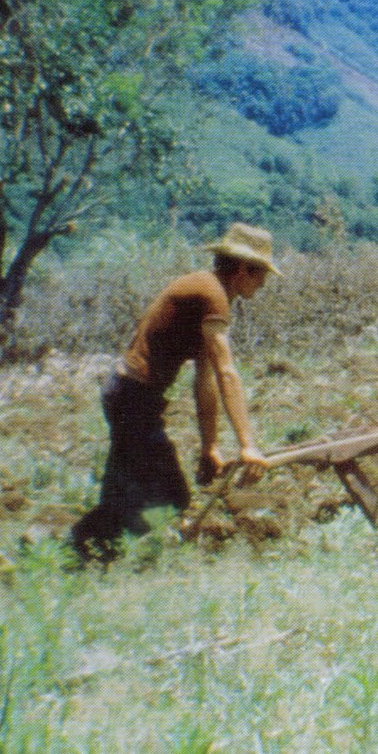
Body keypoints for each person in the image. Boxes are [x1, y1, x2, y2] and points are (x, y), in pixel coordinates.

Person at [69, 222, 277, 563]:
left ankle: (89, 556)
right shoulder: (212, 295)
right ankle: (86, 554)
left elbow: (205, 379)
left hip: (132, 398)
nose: (264, 284)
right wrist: (247, 445)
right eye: (261, 275)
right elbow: (227, 371)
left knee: (138, 494)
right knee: (167, 496)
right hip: (133, 399)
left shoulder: (207, 291)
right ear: (243, 270)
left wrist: (210, 445)